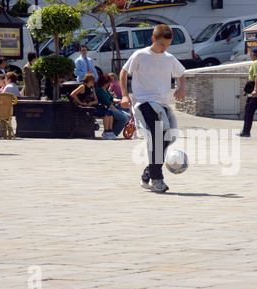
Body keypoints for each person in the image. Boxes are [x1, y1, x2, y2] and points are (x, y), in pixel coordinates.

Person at [120, 24, 186, 193]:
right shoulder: (140, 55)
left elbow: (181, 73)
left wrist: (181, 87)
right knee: (157, 136)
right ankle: (157, 179)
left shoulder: (169, 58)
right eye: (162, 44)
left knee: (166, 137)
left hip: (161, 104)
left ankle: (148, 172)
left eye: (168, 45)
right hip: (143, 102)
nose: (165, 48)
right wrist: (125, 95)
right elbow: (123, 72)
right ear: (153, 39)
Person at [72, 73, 115, 140]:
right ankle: (106, 132)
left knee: (110, 112)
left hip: (93, 107)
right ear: (90, 81)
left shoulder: (92, 88)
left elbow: (96, 101)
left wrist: (92, 102)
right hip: (85, 108)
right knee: (106, 114)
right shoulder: (82, 87)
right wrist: (80, 103)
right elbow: (73, 94)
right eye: (92, 81)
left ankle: (109, 131)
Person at [95, 73, 131, 137]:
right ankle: (113, 132)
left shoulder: (105, 88)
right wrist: (116, 110)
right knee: (124, 118)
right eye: (107, 83)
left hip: (110, 107)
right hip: (105, 108)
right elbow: (107, 103)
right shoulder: (99, 89)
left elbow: (111, 98)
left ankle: (112, 131)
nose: (108, 84)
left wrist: (118, 100)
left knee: (128, 116)